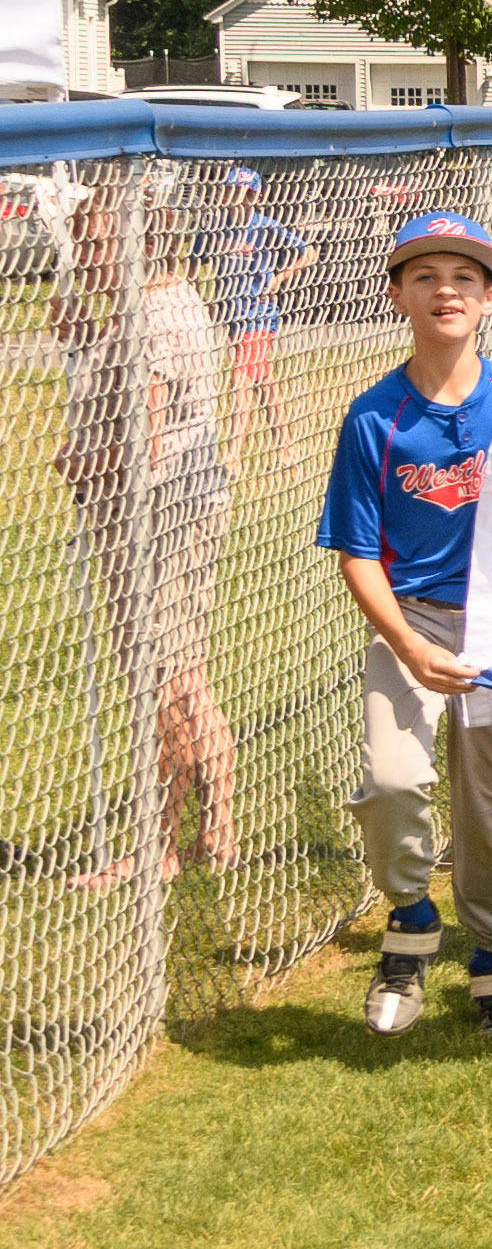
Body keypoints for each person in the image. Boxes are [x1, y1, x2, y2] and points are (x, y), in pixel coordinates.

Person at [318, 210, 492, 1040]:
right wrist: (410, 646)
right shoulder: (375, 417)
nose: (444, 290)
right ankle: (412, 914)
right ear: (397, 297)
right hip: (410, 620)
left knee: (488, 805)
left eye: (463, 277)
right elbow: (355, 553)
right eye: (424, 276)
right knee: (390, 782)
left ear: (490, 297)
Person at [58, 197, 238, 884]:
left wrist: (76, 462)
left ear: (137, 247)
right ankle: (216, 829)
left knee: (165, 682)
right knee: (185, 676)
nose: (81, 260)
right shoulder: (161, 307)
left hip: (158, 523)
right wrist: (85, 340)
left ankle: (160, 844)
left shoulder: (154, 318)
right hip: (165, 515)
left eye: (93, 245)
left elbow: (144, 444)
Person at [197, 165, 315, 474]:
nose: (240, 199)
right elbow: (197, 259)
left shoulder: (265, 226)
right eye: (234, 192)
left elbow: (308, 253)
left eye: (247, 194)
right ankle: (286, 448)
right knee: (263, 381)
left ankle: (233, 456)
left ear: (257, 196)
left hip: (258, 315)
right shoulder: (214, 227)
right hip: (232, 315)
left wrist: (280, 278)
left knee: (241, 379)